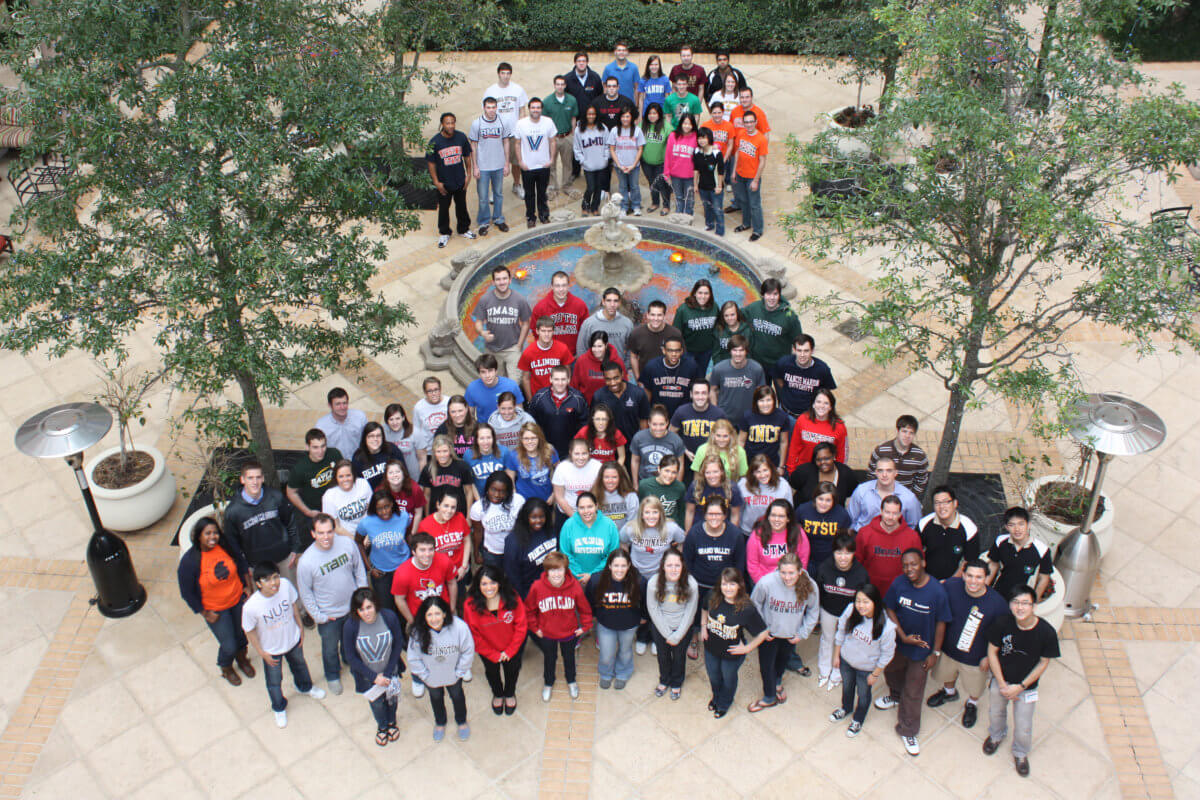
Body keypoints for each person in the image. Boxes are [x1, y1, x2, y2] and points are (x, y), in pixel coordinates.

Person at [878, 549, 952, 757]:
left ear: (923, 563)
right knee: (891, 672)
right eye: (905, 565)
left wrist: (935, 653)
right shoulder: (899, 583)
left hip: (922, 650)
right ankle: (895, 696)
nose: (909, 569)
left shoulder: (937, 591)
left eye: (913, 564)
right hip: (898, 644)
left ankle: (908, 730)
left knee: (913, 690)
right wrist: (902, 635)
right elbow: (889, 608)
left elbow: (941, 623)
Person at [984, 584, 1061, 776]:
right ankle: (996, 736)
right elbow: (992, 652)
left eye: (1025, 603)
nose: (1020, 607)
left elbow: (1043, 663)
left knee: (1023, 726)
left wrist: (1021, 687)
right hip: (1001, 680)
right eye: (1016, 602)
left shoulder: (1046, 632)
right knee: (995, 712)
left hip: (1026, 687)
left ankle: (1020, 753)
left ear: (1034, 606)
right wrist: (1002, 683)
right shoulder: (1002, 623)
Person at [242, 563, 327, 728]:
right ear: (258, 583)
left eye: (275, 577)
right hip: (271, 649)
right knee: (274, 681)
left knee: (300, 665)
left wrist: (300, 627)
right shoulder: (251, 607)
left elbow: (293, 606)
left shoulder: (286, 585)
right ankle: (279, 707)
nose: (274, 583)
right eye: (267, 580)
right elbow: (249, 631)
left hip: (292, 639)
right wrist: (261, 652)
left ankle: (304, 687)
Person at [927, 560, 1007, 728]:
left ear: (987, 578)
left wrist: (989, 657)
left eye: (979, 577)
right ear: (963, 575)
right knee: (946, 675)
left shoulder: (998, 604)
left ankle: (972, 704)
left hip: (976, 657)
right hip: (948, 649)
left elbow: (1002, 634)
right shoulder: (951, 586)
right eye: (969, 575)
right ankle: (949, 692)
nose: (973, 581)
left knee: (974, 687)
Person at [296, 513, 368, 695]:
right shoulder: (306, 562)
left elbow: (359, 570)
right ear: (313, 534)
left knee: (350, 640)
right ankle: (332, 674)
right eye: (321, 533)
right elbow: (306, 593)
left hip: (352, 607)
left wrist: (362, 597)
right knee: (329, 649)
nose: (326, 537)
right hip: (329, 615)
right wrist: (319, 616)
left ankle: (350, 661)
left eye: (329, 532)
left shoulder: (347, 544)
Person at [177, 516, 254, 685]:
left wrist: (248, 586)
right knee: (229, 645)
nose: (213, 537)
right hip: (216, 609)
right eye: (207, 533)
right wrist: (205, 613)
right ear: (198, 536)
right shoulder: (190, 562)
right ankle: (226, 667)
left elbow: (241, 563)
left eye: (215, 533)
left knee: (241, 635)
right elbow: (187, 592)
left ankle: (242, 659)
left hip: (237, 601)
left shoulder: (226, 546)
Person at [224, 461, 302, 612]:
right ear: (242, 480)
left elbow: (290, 522)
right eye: (250, 478)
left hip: (283, 557)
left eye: (258, 477)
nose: (255, 482)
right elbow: (233, 543)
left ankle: (300, 613)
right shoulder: (233, 511)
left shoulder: (275, 497)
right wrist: (244, 566)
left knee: (291, 591)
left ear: (263, 478)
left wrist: (294, 548)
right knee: (266, 601)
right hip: (257, 564)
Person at [750, 553, 819, 711]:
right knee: (766, 666)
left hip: (790, 635)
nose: (787, 577)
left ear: (800, 571)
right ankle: (769, 697)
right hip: (769, 634)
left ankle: (777, 683)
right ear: (778, 570)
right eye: (783, 572)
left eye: (791, 573)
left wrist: (802, 633)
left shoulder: (810, 586)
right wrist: (761, 629)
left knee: (782, 661)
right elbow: (754, 605)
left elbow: (813, 611)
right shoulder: (766, 583)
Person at [830, 583, 896, 737]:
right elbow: (841, 631)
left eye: (866, 602)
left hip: (866, 670)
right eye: (858, 601)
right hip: (846, 662)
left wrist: (875, 674)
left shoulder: (887, 627)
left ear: (875, 602)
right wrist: (836, 655)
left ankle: (858, 719)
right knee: (847, 688)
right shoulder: (851, 610)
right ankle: (846, 708)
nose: (860, 605)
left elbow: (887, 654)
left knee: (863, 694)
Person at [525, 551, 593, 701]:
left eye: (560, 570)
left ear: (565, 570)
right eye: (552, 570)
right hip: (547, 633)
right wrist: (535, 628)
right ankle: (548, 682)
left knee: (569, 657)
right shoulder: (537, 587)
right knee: (549, 658)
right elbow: (529, 610)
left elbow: (585, 609)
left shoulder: (574, 586)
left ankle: (571, 680)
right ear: (546, 571)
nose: (556, 574)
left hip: (569, 632)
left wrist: (585, 626)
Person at [342, 587, 406, 747]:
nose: (366, 613)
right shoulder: (351, 626)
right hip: (368, 677)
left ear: (375, 605)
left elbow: (398, 643)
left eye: (369, 607)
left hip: (390, 671)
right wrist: (374, 677)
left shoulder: (389, 617)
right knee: (377, 703)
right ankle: (382, 726)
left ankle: (392, 722)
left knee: (392, 700)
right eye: (361, 609)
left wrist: (388, 673)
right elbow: (350, 656)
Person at [702, 567, 769, 718]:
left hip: (731, 654)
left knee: (728, 679)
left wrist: (746, 649)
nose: (728, 588)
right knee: (713, 676)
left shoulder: (746, 608)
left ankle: (724, 703)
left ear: (739, 585)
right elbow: (704, 609)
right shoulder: (712, 595)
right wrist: (703, 626)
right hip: (711, 648)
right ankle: (716, 697)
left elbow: (763, 632)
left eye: (732, 584)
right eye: (724, 584)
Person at [407, 596, 475, 742]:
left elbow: (468, 650)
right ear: (424, 616)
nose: (434, 619)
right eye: (429, 615)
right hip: (432, 678)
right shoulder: (417, 633)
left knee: (457, 697)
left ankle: (461, 721)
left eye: (437, 613)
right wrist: (425, 676)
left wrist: (460, 672)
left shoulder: (459, 627)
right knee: (436, 698)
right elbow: (413, 658)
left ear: (444, 613)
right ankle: (440, 722)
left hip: (453, 675)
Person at [684, 497, 747, 652]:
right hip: (700, 584)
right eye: (710, 514)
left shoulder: (735, 534)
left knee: (723, 616)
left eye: (718, 514)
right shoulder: (694, 533)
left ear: (725, 515)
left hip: (724, 587)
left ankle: (719, 640)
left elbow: (739, 563)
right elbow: (687, 560)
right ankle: (694, 638)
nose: (714, 517)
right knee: (696, 614)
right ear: (704, 515)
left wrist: (734, 585)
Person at [463, 565, 528, 716]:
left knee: (512, 671)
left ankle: (510, 693)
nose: (489, 588)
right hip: (488, 651)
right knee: (492, 673)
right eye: (484, 584)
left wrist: (510, 651)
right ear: (478, 585)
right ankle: (498, 694)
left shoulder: (512, 597)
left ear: (500, 582)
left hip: (512, 649)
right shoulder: (470, 605)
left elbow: (521, 625)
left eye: (493, 582)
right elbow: (473, 634)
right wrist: (493, 654)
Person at [814, 534, 869, 690]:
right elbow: (818, 591)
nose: (843, 557)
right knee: (827, 639)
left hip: (849, 614)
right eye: (839, 553)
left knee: (844, 643)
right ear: (833, 552)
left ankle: (838, 674)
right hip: (828, 610)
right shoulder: (824, 567)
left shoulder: (861, 573)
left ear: (853, 553)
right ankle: (824, 671)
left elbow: (863, 598)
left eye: (847, 553)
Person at [646, 545, 699, 700]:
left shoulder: (691, 584)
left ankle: (676, 682)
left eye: (677, 565)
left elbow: (690, 612)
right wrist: (668, 634)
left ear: (683, 566)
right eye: (669, 565)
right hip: (661, 626)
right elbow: (653, 610)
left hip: (683, 627)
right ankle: (664, 680)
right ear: (663, 566)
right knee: (662, 656)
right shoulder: (653, 583)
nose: (674, 569)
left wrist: (678, 635)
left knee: (679, 656)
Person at [586, 550, 642, 689]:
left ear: (629, 565)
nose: (619, 570)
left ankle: (623, 673)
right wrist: (593, 615)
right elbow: (589, 599)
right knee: (606, 654)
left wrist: (644, 617)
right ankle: (606, 673)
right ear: (609, 566)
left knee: (625, 650)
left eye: (623, 566)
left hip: (629, 625)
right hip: (606, 624)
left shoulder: (639, 581)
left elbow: (645, 602)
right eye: (616, 565)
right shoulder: (596, 580)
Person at [355, 490, 411, 618]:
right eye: (379, 509)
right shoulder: (367, 523)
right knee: (387, 610)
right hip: (381, 572)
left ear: (392, 504)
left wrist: (413, 557)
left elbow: (408, 534)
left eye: (387, 506)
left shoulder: (403, 517)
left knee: (405, 607)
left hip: (403, 568)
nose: (384, 512)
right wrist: (369, 568)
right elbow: (358, 542)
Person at [286, 429, 344, 551]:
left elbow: (344, 472)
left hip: (337, 506)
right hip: (316, 513)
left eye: (323, 446)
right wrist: (308, 512)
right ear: (307, 447)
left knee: (341, 539)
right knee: (322, 544)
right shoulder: (300, 469)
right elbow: (291, 492)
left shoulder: (334, 454)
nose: (320, 451)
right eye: (315, 447)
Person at [391, 532, 459, 634]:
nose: (427, 554)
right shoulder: (402, 573)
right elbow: (399, 599)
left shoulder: (444, 561)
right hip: (419, 616)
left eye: (430, 549)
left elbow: (452, 583)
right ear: (413, 552)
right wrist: (412, 621)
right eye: (422, 550)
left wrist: (452, 608)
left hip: (443, 612)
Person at [855, 495, 923, 597]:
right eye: (887, 512)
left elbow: (918, 566)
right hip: (870, 592)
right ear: (881, 511)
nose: (891, 517)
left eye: (895, 513)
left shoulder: (912, 537)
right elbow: (857, 563)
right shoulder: (865, 533)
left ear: (900, 514)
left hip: (900, 591)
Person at [426, 111, 475, 248]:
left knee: (462, 206)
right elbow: (431, 163)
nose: (451, 126)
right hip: (444, 183)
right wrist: (436, 182)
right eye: (447, 123)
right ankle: (444, 232)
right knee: (443, 208)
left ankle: (464, 229)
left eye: (452, 123)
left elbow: (467, 156)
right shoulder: (435, 142)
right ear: (442, 124)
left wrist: (468, 174)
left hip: (459, 180)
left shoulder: (461, 137)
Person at [474, 265, 532, 379]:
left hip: (512, 348)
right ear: (493, 282)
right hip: (492, 349)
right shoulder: (485, 299)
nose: (502, 282)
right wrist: (482, 332)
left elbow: (526, 323)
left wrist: (519, 345)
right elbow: (478, 322)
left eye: (504, 278)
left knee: (514, 383)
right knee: (495, 380)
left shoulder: (519, 300)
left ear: (510, 280)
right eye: (498, 279)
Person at [987, 507, 1053, 602]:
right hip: (998, 592)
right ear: (1006, 527)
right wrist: (984, 589)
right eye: (1012, 525)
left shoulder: (1042, 550)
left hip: (1022, 599)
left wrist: (1034, 601)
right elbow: (993, 565)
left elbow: (1044, 578)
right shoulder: (1000, 541)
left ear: (1029, 525)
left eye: (1021, 524)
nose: (1017, 529)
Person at [483, 62, 528, 199]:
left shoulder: (518, 90)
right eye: (503, 73)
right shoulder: (490, 91)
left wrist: (521, 128)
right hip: (497, 134)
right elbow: (487, 112)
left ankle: (517, 185)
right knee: (495, 163)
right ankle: (495, 190)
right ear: (498, 74)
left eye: (508, 73)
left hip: (514, 134)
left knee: (516, 162)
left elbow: (522, 110)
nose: (505, 76)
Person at [469, 96, 512, 237]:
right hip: (483, 167)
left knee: (498, 194)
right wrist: (475, 166)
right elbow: (473, 146)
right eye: (488, 107)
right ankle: (483, 222)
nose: (491, 110)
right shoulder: (477, 124)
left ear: (497, 107)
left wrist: (507, 163)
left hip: (498, 165)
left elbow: (506, 142)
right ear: (484, 108)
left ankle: (499, 219)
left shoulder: (503, 122)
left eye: (493, 107)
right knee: (483, 197)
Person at [743, 279, 803, 378]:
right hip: (758, 362)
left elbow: (799, 341)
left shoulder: (789, 316)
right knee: (762, 387)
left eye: (775, 294)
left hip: (780, 364)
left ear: (779, 295)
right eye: (768, 294)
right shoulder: (754, 308)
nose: (772, 298)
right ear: (762, 295)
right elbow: (736, 316)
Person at [919, 485, 980, 581]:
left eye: (946, 502)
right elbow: (915, 552)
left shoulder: (969, 528)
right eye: (937, 503)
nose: (941, 507)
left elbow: (969, 561)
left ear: (955, 503)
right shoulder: (923, 524)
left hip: (956, 580)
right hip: (925, 579)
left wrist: (951, 581)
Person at [528, 365, 589, 458]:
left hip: (570, 451)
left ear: (568, 380)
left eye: (563, 379)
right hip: (545, 449)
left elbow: (584, 425)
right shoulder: (539, 397)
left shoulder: (578, 399)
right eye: (556, 379)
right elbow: (531, 422)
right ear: (550, 379)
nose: (560, 383)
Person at [846, 456, 922, 531]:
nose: (884, 475)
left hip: (894, 537)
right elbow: (850, 519)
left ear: (896, 473)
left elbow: (913, 526)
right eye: (880, 470)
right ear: (876, 472)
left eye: (889, 471)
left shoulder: (909, 498)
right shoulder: (861, 491)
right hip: (863, 536)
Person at [514, 97, 557, 227]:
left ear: (541, 109)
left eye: (538, 107)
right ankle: (531, 217)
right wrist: (520, 161)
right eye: (533, 107)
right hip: (528, 166)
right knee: (529, 194)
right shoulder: (521, 124)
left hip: (543, 165)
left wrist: (551, 159)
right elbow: (517, 144)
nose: (535, 110)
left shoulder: (548, 122)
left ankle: (544, 215)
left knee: (542, 193)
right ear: (529, 109)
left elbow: (552, 141)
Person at [559, 491, 620, 582]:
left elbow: (613, 554)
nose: (586, 511)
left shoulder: (609, 525)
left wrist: (593, 575)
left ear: (596, 506)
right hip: (574, 579)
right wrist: (579, 575)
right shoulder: (568, 525)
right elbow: (565, 553)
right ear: (577, 509)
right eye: (582, 508)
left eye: (590, 507)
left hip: (601, 577)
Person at [503, 498, 558, 598]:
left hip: (553, 586)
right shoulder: (513, 541)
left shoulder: (550, 530)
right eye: (533, 517)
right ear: (525, 517)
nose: (538, 521)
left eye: (542, 516)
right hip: (530, 593)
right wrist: (522, 598)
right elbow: (512, 574)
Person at [469, 471, 525, 570]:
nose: (497, 495)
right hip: (491, 553)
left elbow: (523, 527)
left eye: (502, 491)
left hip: (514, 551)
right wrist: (476, 553)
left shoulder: (518, 501)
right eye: (493, 489)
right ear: (487, 488)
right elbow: (478, 532)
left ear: (508, 491)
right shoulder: (478, 507)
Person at [671, 379, 726, 478]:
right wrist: (684, 450)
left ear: (708, 394)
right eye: (697, 393)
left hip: (711, 464)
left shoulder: (718, 414)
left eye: (703, 393)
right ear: (691, 394)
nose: (700, 397)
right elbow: (671, 434)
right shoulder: (681, 412)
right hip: (687, 461)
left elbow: (726, 437)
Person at [746, 499, 809, 585]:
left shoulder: (798, 533)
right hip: (764, 582)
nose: (776, 519)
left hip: (791, 580)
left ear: (788, 518)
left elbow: (803, 561)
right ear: (768, 517)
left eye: (781, 516)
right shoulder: (757, 534)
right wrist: (765, 585)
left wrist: (792, 582)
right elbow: (753, 565)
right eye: (773, 515)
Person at [590, 78, 637, 192]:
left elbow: (634, 119)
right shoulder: (597, 102)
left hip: (622, 140)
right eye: (609, 86)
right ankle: (604, 191)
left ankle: (628, 191)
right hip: (603, 141)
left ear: (618, 87)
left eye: (614, 86)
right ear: (605, 87)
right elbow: (591, 120)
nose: (611, 89)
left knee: (624, 165)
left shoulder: (626, 102)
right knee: (604, 167)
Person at [786, 388, 848, 474]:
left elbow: (842, 454)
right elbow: (794, 448)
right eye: (818, 402)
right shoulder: (802, 420)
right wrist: (791, 470)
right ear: (813, 404)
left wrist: (839, 474)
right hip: (804, 471)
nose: (821, 406)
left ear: (831, 407)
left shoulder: (839, 427)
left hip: (826, 472)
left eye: (826, 403)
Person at [416, 494, 472, 587]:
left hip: (459, 571)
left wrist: (464, 566)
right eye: (446, 506)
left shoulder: (460, 518)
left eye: (453, 507)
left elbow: (467, 540)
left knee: (460, 594)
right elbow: (421, 552)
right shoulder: (425, 525)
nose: (449, 511)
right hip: (438, 573)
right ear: (438, 505)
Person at [795, 481, 853, 571]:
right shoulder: (803, 510)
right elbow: (794, 532)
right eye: (820, 499)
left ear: (834, 501)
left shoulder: (842, 514)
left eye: (828, 500)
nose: (823, 503)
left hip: (831, 560)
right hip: (807, 559)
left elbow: (844, 539)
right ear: (815, 498)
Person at [774, 334, 837, 417]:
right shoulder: (783, 363)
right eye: (799, 350)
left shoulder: (822, 369)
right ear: (794, 350)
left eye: (806, 351)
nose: (802, 355)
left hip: (808, 416)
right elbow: (779, 380)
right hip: (785, 412)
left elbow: (826, 391)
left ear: (812, 351)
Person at [592, 361, 650, 450]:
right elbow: (594, 423)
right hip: (608, 448)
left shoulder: (638, 393)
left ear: (622, 375)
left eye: (616, 378)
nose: (613, 383)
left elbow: (644, 420)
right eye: (608, 379)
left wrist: (643, 443)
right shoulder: (598, 396)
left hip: (632, 445)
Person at [639, 333, 700, 418]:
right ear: (664, 351)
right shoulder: (652, 366)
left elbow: (696, 390)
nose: (674, 354)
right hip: (659, 414)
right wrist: (645, 415)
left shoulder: (691, 366)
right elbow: (647, 393)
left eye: (677, 351)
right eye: (670, 351)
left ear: (682, 351)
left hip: (683, 414)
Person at [869, 415, 931, 497]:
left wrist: (911, 497)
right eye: (904, 431)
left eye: (911, 433)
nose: (907, 436)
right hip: (881, 496)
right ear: (898, 431)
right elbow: (872, 475)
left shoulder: (920, 456)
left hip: (906, 497)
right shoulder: (881, 451)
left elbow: (921, 480)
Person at [730, 109, 768, 241]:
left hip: (752, 177)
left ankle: (758, 230)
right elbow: (737, 153)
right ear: (743, 123)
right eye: (746, 122)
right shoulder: (741, 134)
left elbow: (762, 161)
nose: (749, 124)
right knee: (743, 201)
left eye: (751, 122)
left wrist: (756, 180)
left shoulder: (761, 139)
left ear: (756, 122)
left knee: (754, 204)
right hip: (740, 174)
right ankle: (746, 223)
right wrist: (734, 171)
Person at [710, 335, 763, 427]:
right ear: (730, 351)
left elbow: (761, 393)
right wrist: (715, 411)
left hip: (749, 419)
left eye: (741, 350)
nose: (738, 354)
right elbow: (712, 390)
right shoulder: (719, 369)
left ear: (746, 351)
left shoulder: (756, 369)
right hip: (725, 419)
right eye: (735, 350)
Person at [789, 441, 859, 511]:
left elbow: (852, 495)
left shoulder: (846, 474)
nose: (822, 462)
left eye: (826, 458)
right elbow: (792, 488)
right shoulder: (804, 471)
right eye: (818, 460)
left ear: (833, 456)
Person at [532, 271, 590, 355]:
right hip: (550, 356)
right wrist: (544, 351)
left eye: (564, 285)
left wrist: (580, 353)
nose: (561, 289)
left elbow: (586, 331)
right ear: (552, 286)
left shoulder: (580, 305)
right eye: (557, 286)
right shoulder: (540, 308)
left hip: (574, 355)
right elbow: (535, 331)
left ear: (568, 286)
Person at [418, 434, 476, 517]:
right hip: (436, 514)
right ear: (434, 452)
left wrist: (468, 517)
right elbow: (427, 495)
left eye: (445, 451)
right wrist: (428, 517)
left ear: (450, 451)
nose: (442, 455)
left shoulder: (462, 466)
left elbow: (469, 492)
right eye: (438, 451)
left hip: (458, 513)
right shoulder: (428, 469)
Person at [684, 455, 744, 529]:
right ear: (703, 473)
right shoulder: (695, 486)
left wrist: (732, 534)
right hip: (699, 529)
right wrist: (688, 532)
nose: (712, 476)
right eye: (708, 472)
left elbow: (735, 515)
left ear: (722, 472)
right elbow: (690, 512)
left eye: (715, 472)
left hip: (723, 529)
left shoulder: (732, 488)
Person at [505, 421, 559, 503]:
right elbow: (510, 480)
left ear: (539, 438)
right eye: (526, 439)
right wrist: (515, 498)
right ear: (521, 440)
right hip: (523, 501)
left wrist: (554, 494)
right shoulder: (514, 455)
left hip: (546, 500)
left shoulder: (549, 451)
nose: (530, 442)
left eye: (533, 438)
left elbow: (560, 473)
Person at [577, 287, 634, 364]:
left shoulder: (627, 323)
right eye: (608, 301)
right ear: (603, 302)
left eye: (615, 301)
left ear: (619, 303)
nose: (612, 304)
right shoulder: (589, 323)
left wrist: (625, 367)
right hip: (594, 370)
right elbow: (581, 349)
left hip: (618, 369)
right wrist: (588, 368)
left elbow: (631, 350)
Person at [627, 301, 681, 380]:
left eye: (659, 315)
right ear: (647, 315)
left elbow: (681, 357)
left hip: (669, 379)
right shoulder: (636, 333)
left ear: (664, 316)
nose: (656, 319)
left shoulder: (675, 333)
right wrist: (638, 379)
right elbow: (633, 357)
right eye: (653, 315)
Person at [630, 405, 685, 482]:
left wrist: (677, 485)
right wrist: (635, 484)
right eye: (654, 424)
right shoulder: (639, 438)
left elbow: (680, 465)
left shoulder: (676, 440)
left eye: (662, 424)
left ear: (667, 423)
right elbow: (635, 461)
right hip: (645, 482)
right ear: (649, 423)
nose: (658, 428)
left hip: (668, 483)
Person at [738, 456, 792, 534]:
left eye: (765, 470)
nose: (762, 475)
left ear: (771, 469)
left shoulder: (783, 485)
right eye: (758, 472)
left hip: (773, 531)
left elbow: (789, 510)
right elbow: (738, 509)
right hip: (747, 530)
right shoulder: (743, 484)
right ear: (752, 473)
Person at [606, 107, 645, 215]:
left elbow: (640, 149)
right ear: (620, 117)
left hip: (634, 165)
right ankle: (624, 207)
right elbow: (612, 149)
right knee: (622, 186)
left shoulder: (637, 130)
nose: (625, 119)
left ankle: (636, 206)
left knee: (634, 186)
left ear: (631, 117)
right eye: (623, 116)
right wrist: (618, 165)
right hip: (620, 166)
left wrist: (633, 165)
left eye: (627, 116)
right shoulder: (614, 130)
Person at [741, 386, 790, 470]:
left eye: (768, 400)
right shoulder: (748, 415)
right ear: (756, 402)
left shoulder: (782, 417)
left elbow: (784, 442)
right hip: (750, 463)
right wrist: (742, 465)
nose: (765, 404)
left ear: (774, 400)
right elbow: (741, 441)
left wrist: (781, 466)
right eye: (761, 400)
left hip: (772, 463)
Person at [465, 353, 524, 423]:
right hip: (484, 427)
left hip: (508, 426)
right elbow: (470, 416)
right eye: (483, 372)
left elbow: (520, 413)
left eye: (490, 371)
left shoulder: (511, 386)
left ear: (496, 371)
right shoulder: (472, 388)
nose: (487, 375)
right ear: (479, 374)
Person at [543, 75, 578, 194]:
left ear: (565, 86)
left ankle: (567, 186)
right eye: (558, 84)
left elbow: (573, 118)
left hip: (567, 136)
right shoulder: (547, 102)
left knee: (567, 163)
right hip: (553, 138)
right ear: (554, 85)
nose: (560, 87)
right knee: (551, 164)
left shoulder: (572, 100)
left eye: (562, 84)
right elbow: (544, 121)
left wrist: (572, 135)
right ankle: (552, 187)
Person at [574, 105, 611, 216]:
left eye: (593, 114)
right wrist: (582, 160)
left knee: (599, 188)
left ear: (596, 115)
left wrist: (605, 158)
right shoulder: (579, 130)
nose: (591, 116)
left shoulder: (603, 128)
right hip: (588, 165)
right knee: (591, 187)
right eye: (589, 114)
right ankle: (585, 206)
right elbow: (576, 148)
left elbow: (608, 145)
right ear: (585, 115)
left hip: (601, 164)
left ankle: (595, 207)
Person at [552, 439, 603, 518]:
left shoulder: (597, 467)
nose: (580, 457)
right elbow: (559, 497)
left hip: (591, 512)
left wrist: (590, 514)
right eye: (577, 454)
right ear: (570, 453)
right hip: (566, 513)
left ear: (589, 453)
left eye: (584, 453)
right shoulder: (561, 468)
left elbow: (600, 493)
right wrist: (574, 517)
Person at [321, 460, 372, 538]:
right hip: (346, 537)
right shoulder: (329, 496)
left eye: (348, 475)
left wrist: (368, 535)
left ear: (353, 475)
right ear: (336, 478)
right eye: (341, 476)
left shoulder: (363, 484)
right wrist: (356, 541)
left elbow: (371, 511)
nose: (345, 479)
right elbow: (335, 527)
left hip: (368, 531)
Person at [571, 331, 626, 403]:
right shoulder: (581, 361)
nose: (596, 350)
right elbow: (574, 385)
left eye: (600, 346)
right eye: (594, 346)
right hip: (587, 405)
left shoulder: (617, 361)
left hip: (611, 405)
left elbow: (624, 385)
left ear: (606, 345)